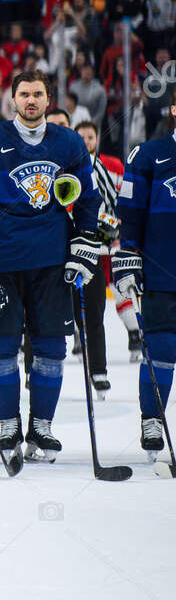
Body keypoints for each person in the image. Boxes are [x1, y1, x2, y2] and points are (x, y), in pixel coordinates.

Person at [0, 70, 101, 463]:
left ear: (49, 98)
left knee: (52, 347)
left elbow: (88, 197)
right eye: (24, 94)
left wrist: (83, 244)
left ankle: (42, 426)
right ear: (13, 99)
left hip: (52, 260)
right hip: (2, 261)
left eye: (38, 94)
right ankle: (9, 425)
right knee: (1, 346)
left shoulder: (68, 141)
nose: (31, 100)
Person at [113, 100, 176, 462]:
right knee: (162, 349)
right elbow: (131, 215)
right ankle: (153, 420)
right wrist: (127, 262)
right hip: (161, 270)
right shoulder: (148, 155)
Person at [76, 121, 138, 394]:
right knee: (83, 300)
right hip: (82, 245)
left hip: (110, 244)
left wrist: (119, 227)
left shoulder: (112, 166)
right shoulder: (70, 167)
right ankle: (80, 339)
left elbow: (125, 199)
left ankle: (134, 332)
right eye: (82, 137)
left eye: (90, 137)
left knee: (118, 285)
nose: (87, 141)